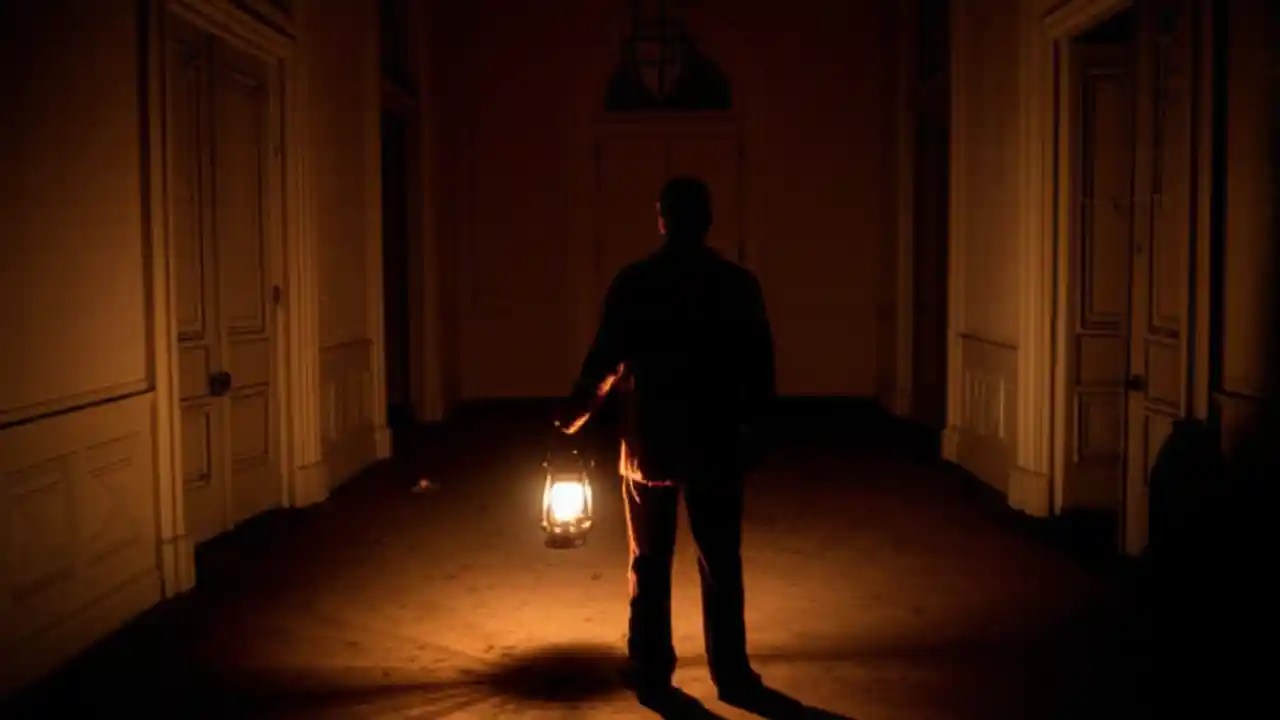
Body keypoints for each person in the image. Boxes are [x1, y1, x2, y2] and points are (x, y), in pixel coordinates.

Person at [553, 176, 776, 705]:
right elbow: (759, 366)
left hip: (651, 440)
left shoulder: (636, 282)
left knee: (649, 559)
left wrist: (574, 416)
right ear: (708, 220)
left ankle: (652, 667)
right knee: (721, 558)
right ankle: (731, 670)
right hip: (716, 439)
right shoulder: (737, 284)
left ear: (662, 219)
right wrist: (759, 429)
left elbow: (605, 358)